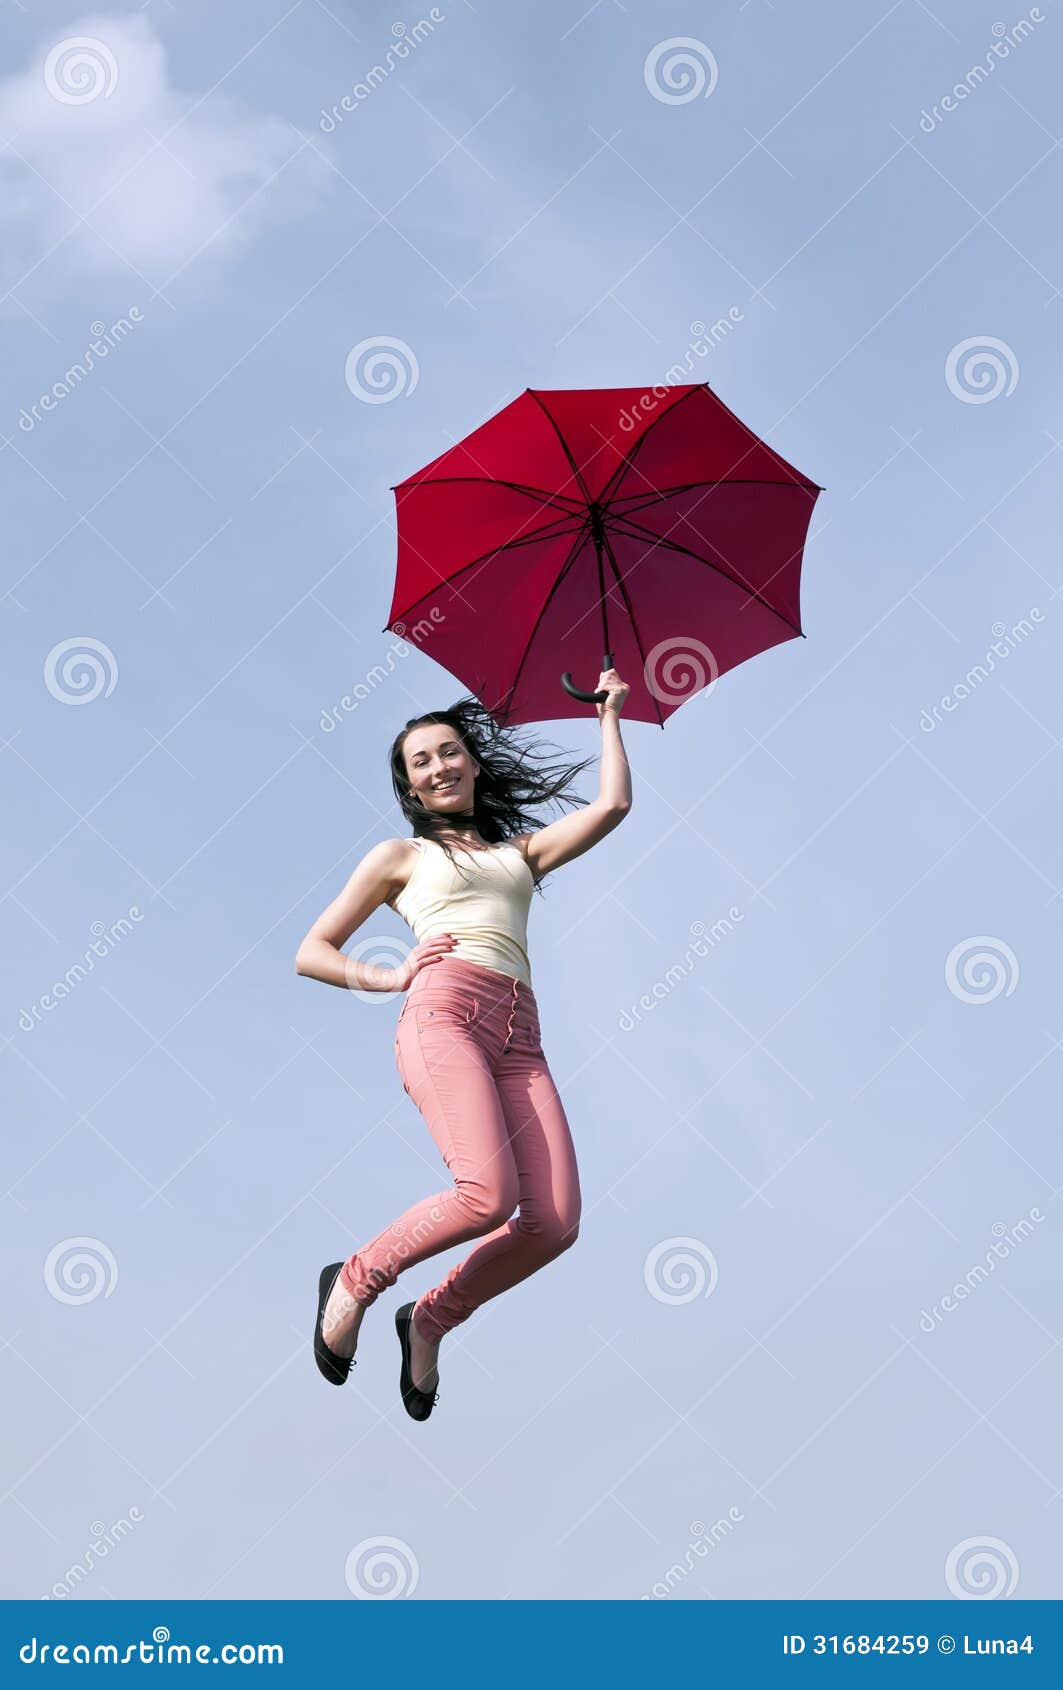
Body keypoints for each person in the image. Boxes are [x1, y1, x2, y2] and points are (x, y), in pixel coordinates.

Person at [295, 669, 631, 1419]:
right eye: (421, 762)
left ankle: (431, 1318)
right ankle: (355, 1278)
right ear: (410, 787)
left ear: (473, 764)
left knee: (554, 1223)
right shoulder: (399, 857)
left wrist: (608, 715)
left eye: (449, 752)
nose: (439, 767)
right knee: (485, 1196)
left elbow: (611, 805)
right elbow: (311, 951)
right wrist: (389, 976)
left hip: (521, 1037)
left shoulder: (519, 854)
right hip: (444, 1015)